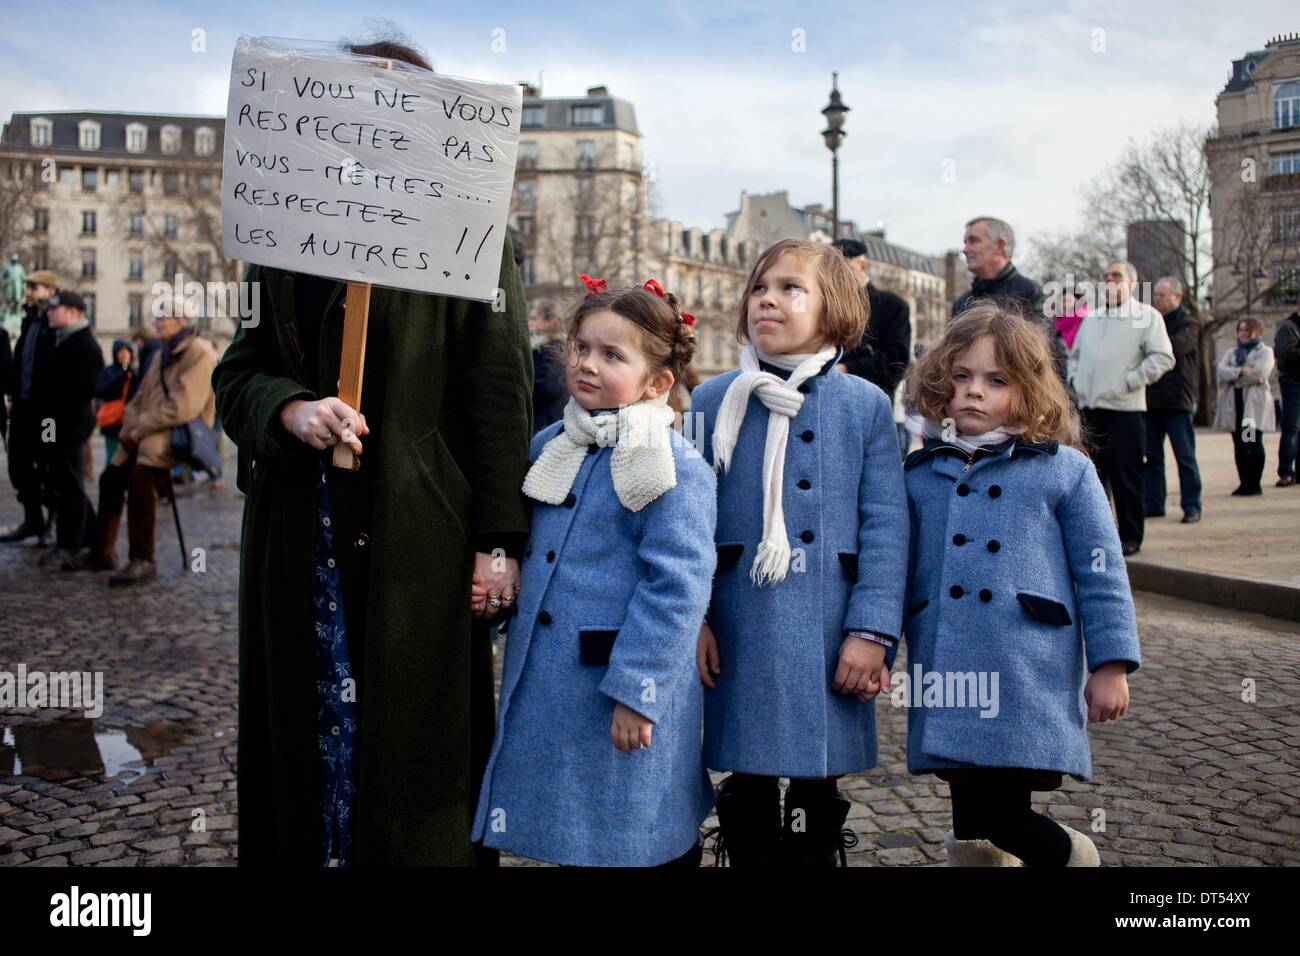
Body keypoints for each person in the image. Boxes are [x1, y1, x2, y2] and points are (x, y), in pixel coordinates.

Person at [211, 30, 534, 871]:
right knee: (302, 736)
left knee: (412, 751)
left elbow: (497, 393)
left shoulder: (475, 233)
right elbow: (238, 374)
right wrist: (289, 412)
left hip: (415, 534)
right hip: (299, 528)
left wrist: (500, 542)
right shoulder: (276, 228)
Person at [471, 278, 716, 867]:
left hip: (621, 685)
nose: (586, 364)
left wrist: (640, 690)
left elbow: (677, 588)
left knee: (636, 829)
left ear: (657, 383)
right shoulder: (552, 444)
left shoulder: (670, 464)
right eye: (581, 347)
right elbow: (536, 545)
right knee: (579, 831)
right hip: (557, 678)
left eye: (612, 355)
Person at [691, 239, 908, 867]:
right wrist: (697, 619)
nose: (768, 298)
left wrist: (872, 633)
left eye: (791, 288)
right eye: (760, 286)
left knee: (817, 776)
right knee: (746, 775)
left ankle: (817, 855)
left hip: (830, 620)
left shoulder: (865, 405)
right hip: (738, 618)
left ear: (833, 308)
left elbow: (887, 528)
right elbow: (688, 523)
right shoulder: (712, 401)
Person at [902, 302, 1140, 866]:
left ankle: (1069, 859)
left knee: (1002, 811)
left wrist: (1111, 664)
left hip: (1026, 665)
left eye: (996, 380)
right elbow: (894, 568)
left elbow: (1102, 572)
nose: (974, 392)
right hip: (946, 665)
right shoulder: (919, 473)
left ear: (1028, 389)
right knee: (969, 813)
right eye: (961, 376)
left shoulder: (1065, 469)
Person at [66, 306, 217, 583]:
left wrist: (140, 427)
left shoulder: (200, 352)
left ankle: (143, 559)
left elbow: (184, 407)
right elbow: (138, 399)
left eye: (162, 317)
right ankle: (102, 552)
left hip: (175, 435)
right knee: (110, 477)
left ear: (180, 320)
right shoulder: (161, 352)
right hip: (147, 432)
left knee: (141, 478)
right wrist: (130, 426)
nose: (155, 321)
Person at [1067, 261, 1174, 555]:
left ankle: (1130, 535)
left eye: (1117, 275)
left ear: (1131, 283)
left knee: (1126, 475)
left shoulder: (1145, 316)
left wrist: (1131, 381)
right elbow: (1074, 355)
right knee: (1093, 476)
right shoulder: (1092, 318)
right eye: (1106, 276)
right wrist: (1076, 380)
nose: (1110, 280)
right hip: (1091, 408)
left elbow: (1163, 357)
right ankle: (1100, 534)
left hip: (1125, 408)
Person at [951, 216, 1067, 383]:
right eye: (965, 242)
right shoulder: (961, 303)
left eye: (973, 241)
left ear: (1000, 246)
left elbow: (1036, 354)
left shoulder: (1033, 294)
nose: (965, 249)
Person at [33, 291, 103, 566]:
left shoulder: (85, 345)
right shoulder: (61, 340)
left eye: (55, 309)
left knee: (70, 485)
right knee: (62, 482)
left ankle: (71, 543)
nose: (49, 314)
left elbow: (82, 392)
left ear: (73, 312)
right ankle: (88, 535)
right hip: (54, 425)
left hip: (69, 426)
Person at [1, 270, 59, 544]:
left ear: (49, 290)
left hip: (46, 412)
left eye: (33, 287)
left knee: (48, 465)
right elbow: (21, 360)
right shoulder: (29, 320)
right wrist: (13, 397)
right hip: (23, 406)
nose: (28, 292)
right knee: (18, 464)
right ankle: (33, 519)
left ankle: (51, 522)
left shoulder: (53, 321)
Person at [1144, 277, 1203, 523]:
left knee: (1185, 456)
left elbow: (1173, 349)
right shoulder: (1149, 322)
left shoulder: (1189, 323)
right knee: (1152, 456)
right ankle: (1155, 503)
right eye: (1155, 294)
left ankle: (1192, 505)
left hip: (1178, 400)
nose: (1157, 299)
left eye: (1163, 295)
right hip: (1151, 399)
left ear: (1177, 297)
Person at [831, 237, 912, 402]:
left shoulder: (892, 306)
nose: (837, 278)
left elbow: (895, 363)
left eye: (843, 269)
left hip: (869, 402)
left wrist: (845, 368)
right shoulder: (827, 307)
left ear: (863, 266)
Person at [1213, 318, 1276, 496]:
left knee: (1251, 442)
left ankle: (1254, 482)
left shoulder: (1264, 352)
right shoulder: (1233, 352)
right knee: (1239, 445)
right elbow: (1221, 371)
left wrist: (1235, 375)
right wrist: (1240, 371)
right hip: (1235, 405)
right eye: (1240, 330)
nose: (1242, 334)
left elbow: (1259, 374)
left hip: (1252, 406)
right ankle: (1244, 482)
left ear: (1256, 332)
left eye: (1246, 330)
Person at [528, 300, 567, 434]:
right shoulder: (539, 347)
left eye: (533, 318)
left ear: (550, 321)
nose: (529, 322)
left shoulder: (553, 349)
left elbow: (548, 387)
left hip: (548, 423)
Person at [94, 339, 136, 464]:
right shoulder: (108, 372)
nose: (124, 355)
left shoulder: (133, 372)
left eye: (127, 352)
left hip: (129, 419)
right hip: (112, 421)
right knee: (112, 454)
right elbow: (101, 390)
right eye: (121, 352)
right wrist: (120, 377)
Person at [1274, 310, 1300, 487]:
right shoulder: (1288, 328)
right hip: (1293, 384)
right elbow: (1286, 354)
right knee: (1291, 427)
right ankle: (1286, 471)